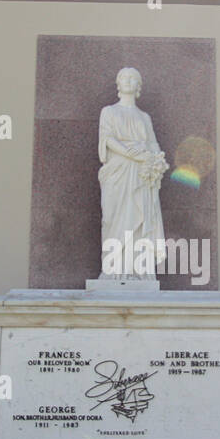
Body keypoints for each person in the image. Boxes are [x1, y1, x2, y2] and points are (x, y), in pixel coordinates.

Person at [97, 67, 168, 280]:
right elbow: (106, 138)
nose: (128, 81)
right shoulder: (109, 111)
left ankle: (139, 270)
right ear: (118, 84)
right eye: (124, 78)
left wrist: (151, 157)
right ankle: (114, 270)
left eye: (133, 78)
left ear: (138, 86)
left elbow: (154, 144)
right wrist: (130, 152)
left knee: (141, 218)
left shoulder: (144, 117)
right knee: (114, 218)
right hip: (118, 172)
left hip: (140, 173)